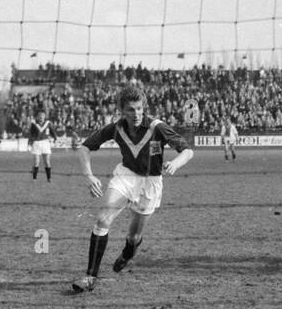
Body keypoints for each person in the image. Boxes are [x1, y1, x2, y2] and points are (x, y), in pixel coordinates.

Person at [70, 83, 193, 293]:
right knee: (102, 219)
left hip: (151, 183)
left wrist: (175, 163)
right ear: (122, 111)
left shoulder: (157, 127)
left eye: (139, 108)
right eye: (130, 109)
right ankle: (90, 277)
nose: (136, 113)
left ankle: (127, 253)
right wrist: (89, 176)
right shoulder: (116, 128)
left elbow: (187, 151)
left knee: (134, 237)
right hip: (125, 177)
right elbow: (84, 148)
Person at [28, 108, 54, 181]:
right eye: (39, 115)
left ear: (45, 116)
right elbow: (31, 134)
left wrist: (55, 138)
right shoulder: (34, 124)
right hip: (36, 143)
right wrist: (29, 143)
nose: (41, 117)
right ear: (37, 116)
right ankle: (34, 178)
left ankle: (49, 178)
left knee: (47, 162)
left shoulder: (48, 123)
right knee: (36, 162)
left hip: (45, 143)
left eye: (42, 115)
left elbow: (52, 131)